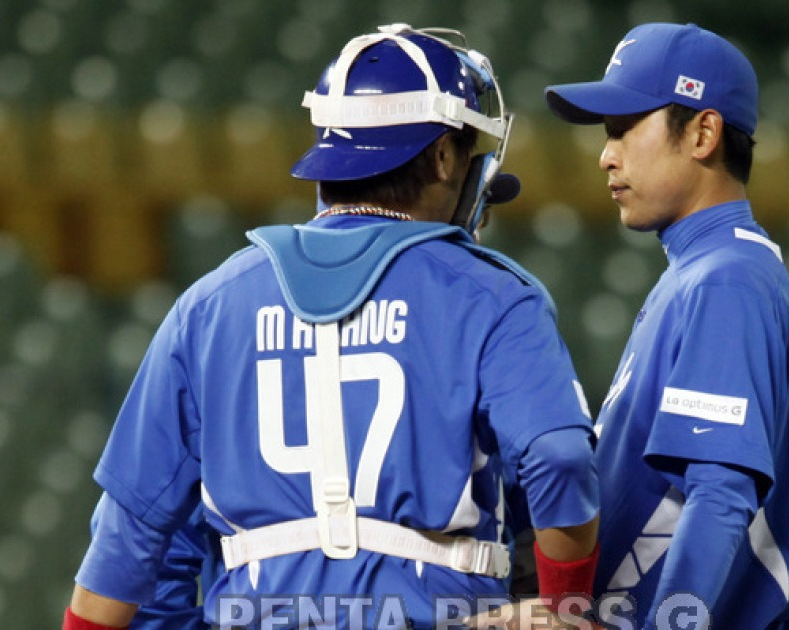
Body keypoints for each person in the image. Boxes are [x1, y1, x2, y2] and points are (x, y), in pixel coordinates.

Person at [64, 23, 599, 630]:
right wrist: (563, 607)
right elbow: (559, 457)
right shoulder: (495, 294)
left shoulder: (208, 304)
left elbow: (124, 542)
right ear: (445, 156)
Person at [543, 22, 789, 629]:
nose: (606, 154)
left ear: (703, 132)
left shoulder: (727, 278)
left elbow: (720, 495)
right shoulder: (709, 267)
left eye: (624, 127)